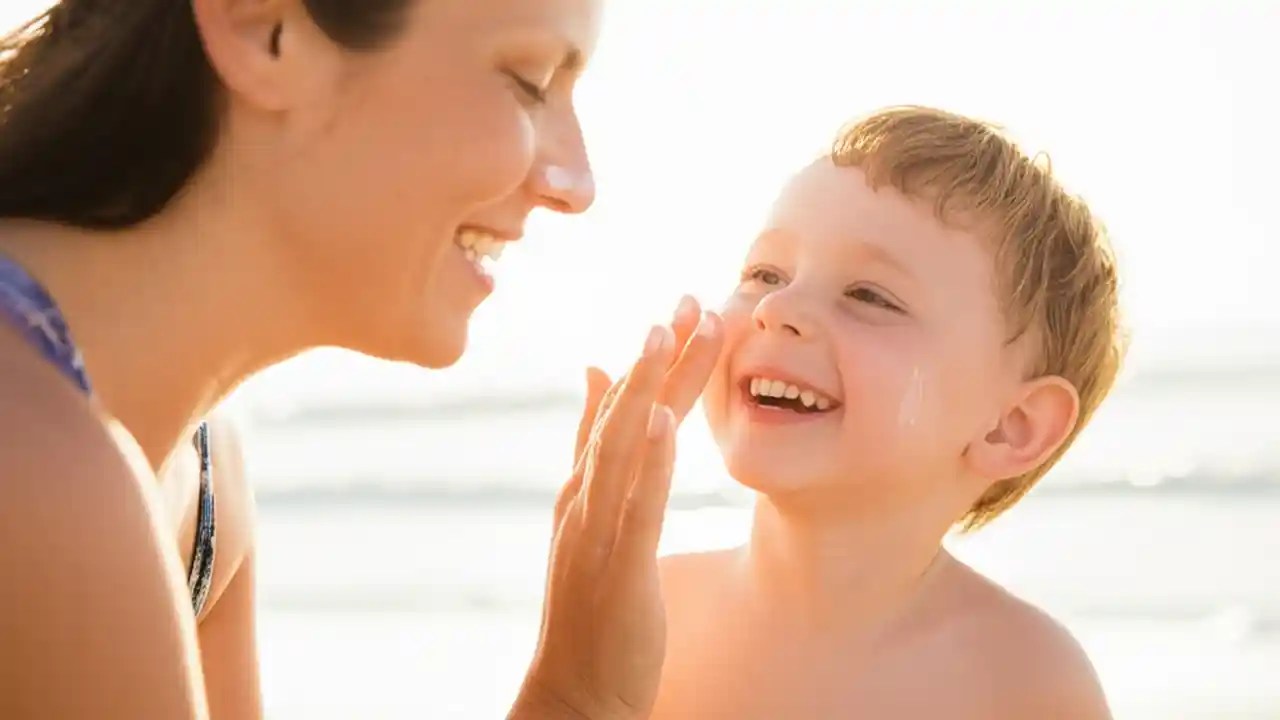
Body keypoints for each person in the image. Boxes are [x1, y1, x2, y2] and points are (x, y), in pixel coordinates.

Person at [0, 1, 723, 718]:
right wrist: (579, 701)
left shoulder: (203, 478)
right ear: (267, 31)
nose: (577, 182)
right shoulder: (41, 466)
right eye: (528, 80)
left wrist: (577, 685)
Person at [651, 106, 1125, 719]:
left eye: (869, 295)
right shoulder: (651, 612)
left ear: (1012, 425)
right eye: (765, 272)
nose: (779, 306)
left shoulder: (1025, 682)